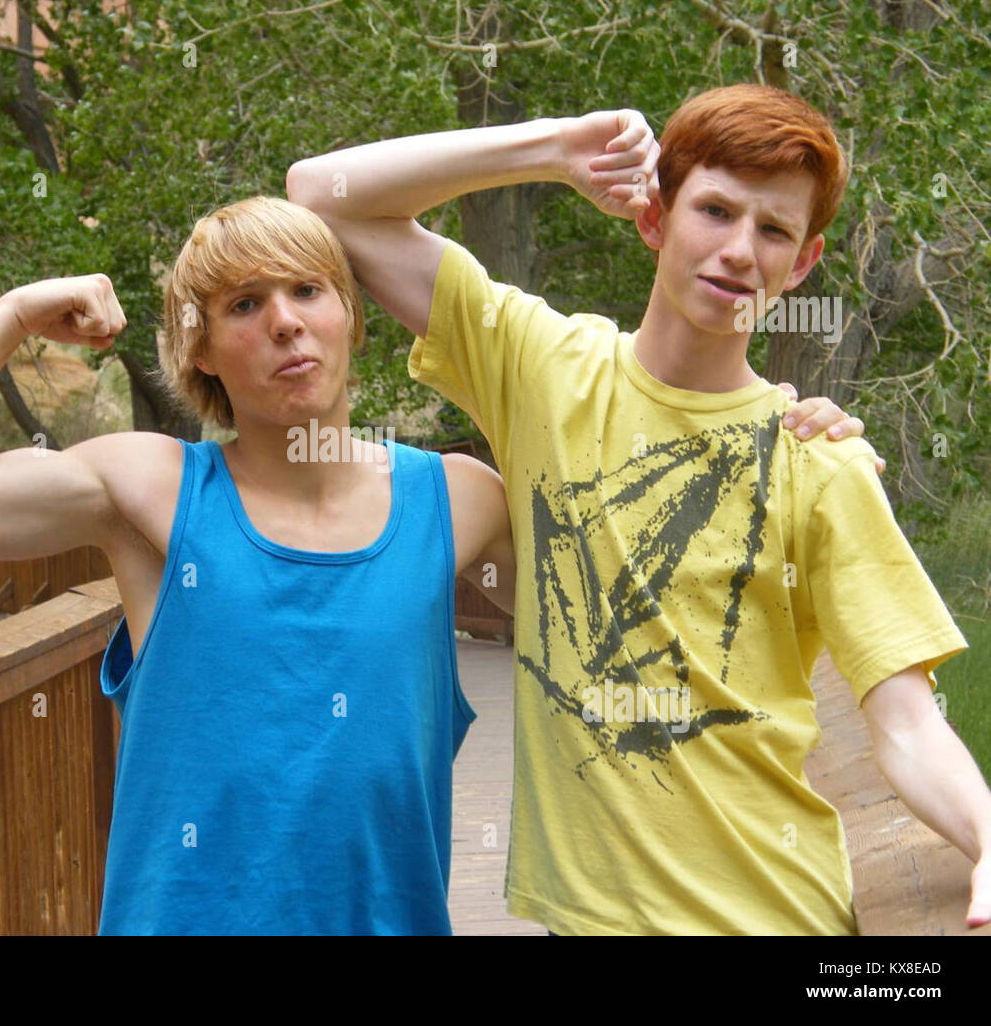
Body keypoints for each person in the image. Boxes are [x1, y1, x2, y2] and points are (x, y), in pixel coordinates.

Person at [287, 84, 991, 934]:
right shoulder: (542, 364)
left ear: (802, 264)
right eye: (716, 210)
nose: (738, 251)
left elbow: (908, 719)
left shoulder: (822, 461)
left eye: (772, 231)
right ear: (654, 217)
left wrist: (985, 835)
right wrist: (552, 149)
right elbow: (320, 193)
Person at [0, 195, 521, 934]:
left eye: (307, 290)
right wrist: (13, 317)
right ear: (201, 349)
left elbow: (608, 629)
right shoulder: (154, 492)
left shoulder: (458, 501)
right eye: (246, 304)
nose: (285, 320)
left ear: (350, 314)